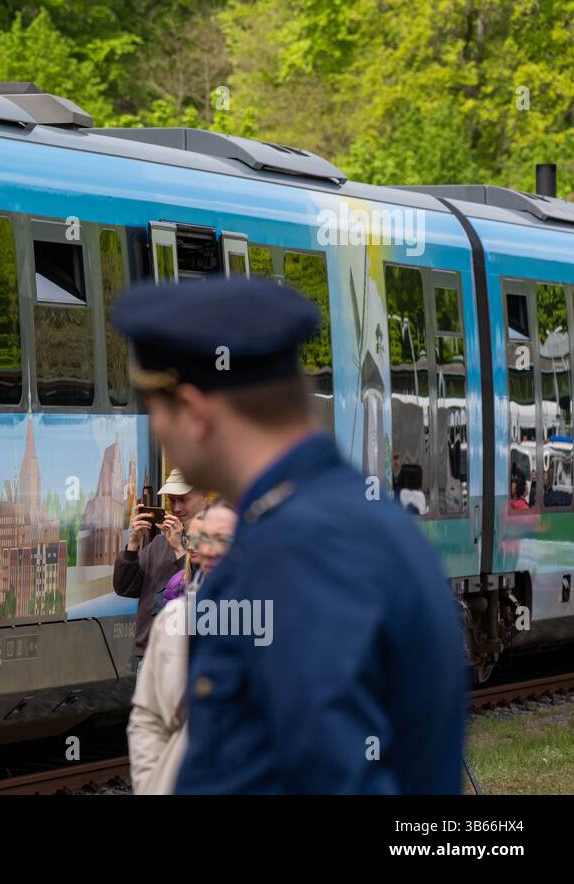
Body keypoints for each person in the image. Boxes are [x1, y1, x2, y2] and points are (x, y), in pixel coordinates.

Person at [112, 277, 465, 794]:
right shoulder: (366, 523)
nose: (158, 434)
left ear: (194, 412)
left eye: (156, 415)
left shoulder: (291, 557)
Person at [128, 502, 237, 794]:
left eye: (222, 540)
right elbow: (147, 719)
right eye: (200, 540)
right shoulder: (173, 619)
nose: (208, 549)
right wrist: (151, 784)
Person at [112, 468, 206, 669]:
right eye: (172, 500)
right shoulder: (158, 543)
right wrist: (133, 544)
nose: (176, 507)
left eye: (183, 499)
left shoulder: (217, 541)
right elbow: (125, 587)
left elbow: (205, 595)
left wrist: (179, 550)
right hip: (150, 652)